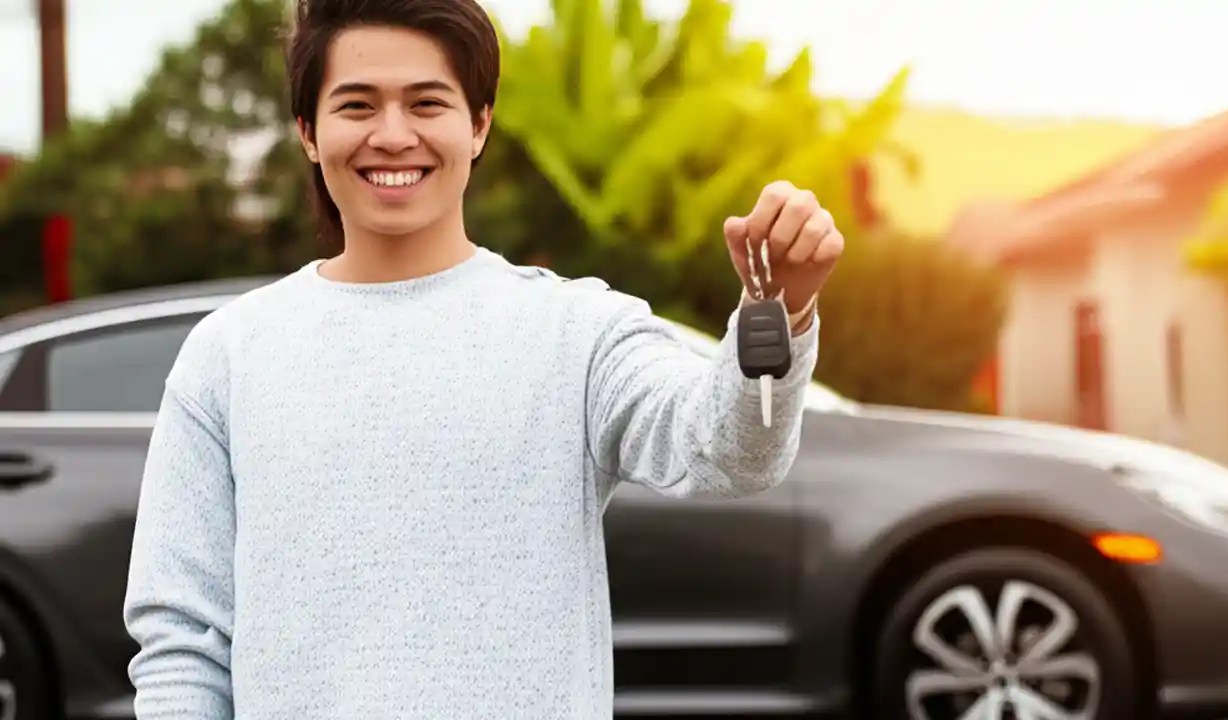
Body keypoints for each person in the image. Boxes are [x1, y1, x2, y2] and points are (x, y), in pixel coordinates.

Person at [121, 0, 844, 717]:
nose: (393, 134)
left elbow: (729, 454)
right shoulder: (228, 354)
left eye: (427, 102)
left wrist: (777, 310)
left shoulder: (577, 333)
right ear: (309, 132)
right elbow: (184, 640)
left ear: (479, 124)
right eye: (358, 105)